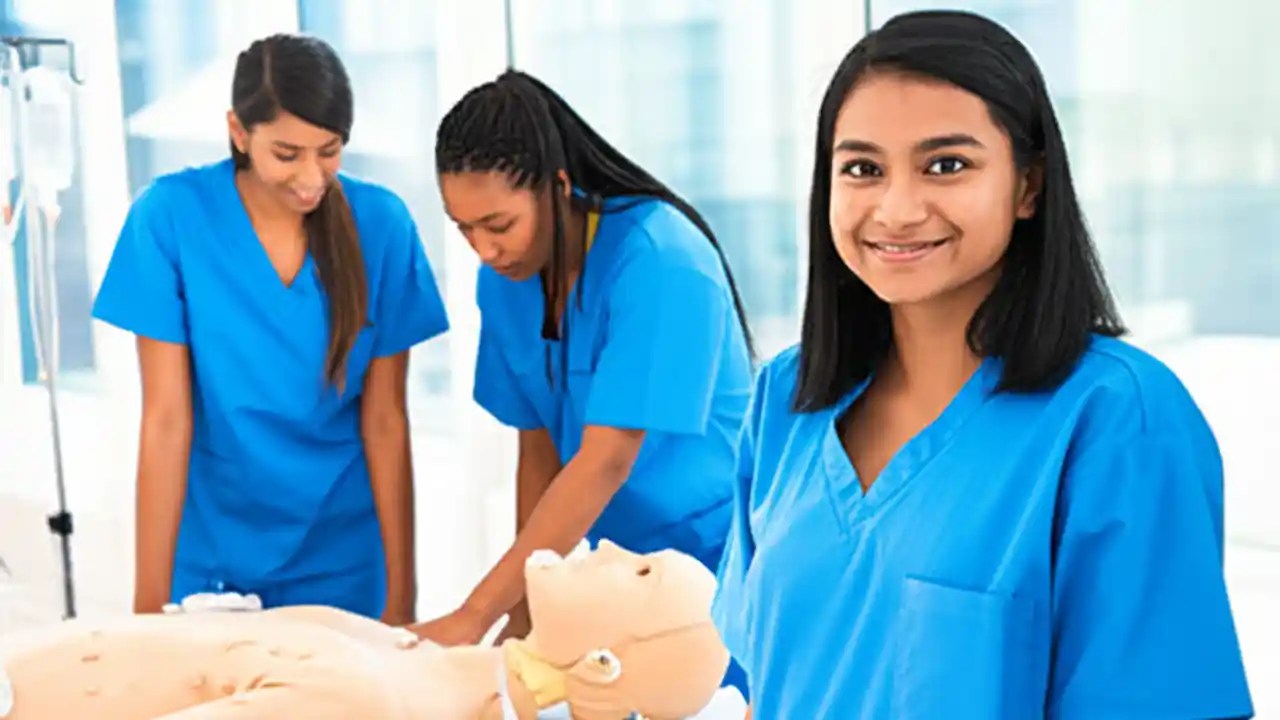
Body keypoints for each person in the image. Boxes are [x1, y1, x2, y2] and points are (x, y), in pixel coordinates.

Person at [711, 10, 1254, 719]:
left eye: (947, 165)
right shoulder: (784, 398)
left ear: (1028, 187)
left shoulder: (1119, 420)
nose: (897, 208)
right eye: (862, 169)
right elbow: (766, 679)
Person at [91, 34, 447, 626]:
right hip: (210, 562)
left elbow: (386, 422)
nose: (312, 177)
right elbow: (165, 421)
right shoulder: (169, 217)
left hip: (344, 564)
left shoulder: (381, 224)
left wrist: (402, 604)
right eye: (287, 154)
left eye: (329, 151)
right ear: (238, 132)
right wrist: (146, 616)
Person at [413, 70, 752, 691]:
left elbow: (604, 461)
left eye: (498, 224)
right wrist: (521, 614)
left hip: (714, 566)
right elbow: (537, 449)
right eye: (463, 229)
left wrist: (473, 614)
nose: (483, 250)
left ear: (558, 187)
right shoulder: (510, 279)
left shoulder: (659, 259)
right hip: (612, 574)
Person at [0, 542, 731, 720]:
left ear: (602, 667)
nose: (611, 549)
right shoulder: (415, 659)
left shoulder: (381, 702)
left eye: (640, 575)